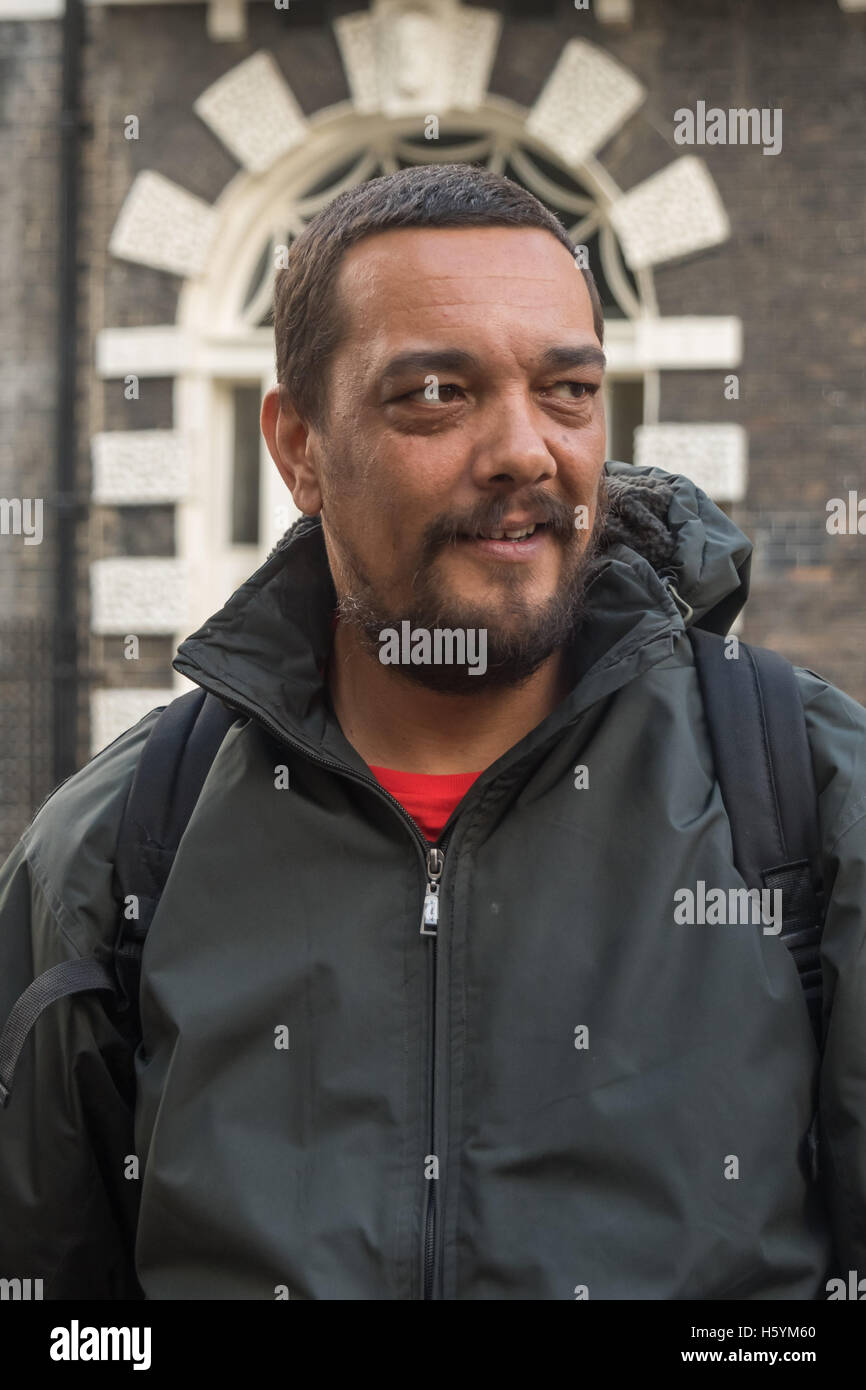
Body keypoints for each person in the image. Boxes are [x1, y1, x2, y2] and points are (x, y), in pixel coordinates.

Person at [1, 164, 864, 1300]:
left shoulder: (806, 797)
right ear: (299, 448)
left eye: (566, 390)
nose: (524, 449)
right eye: (435, 395)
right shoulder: (116, 849)